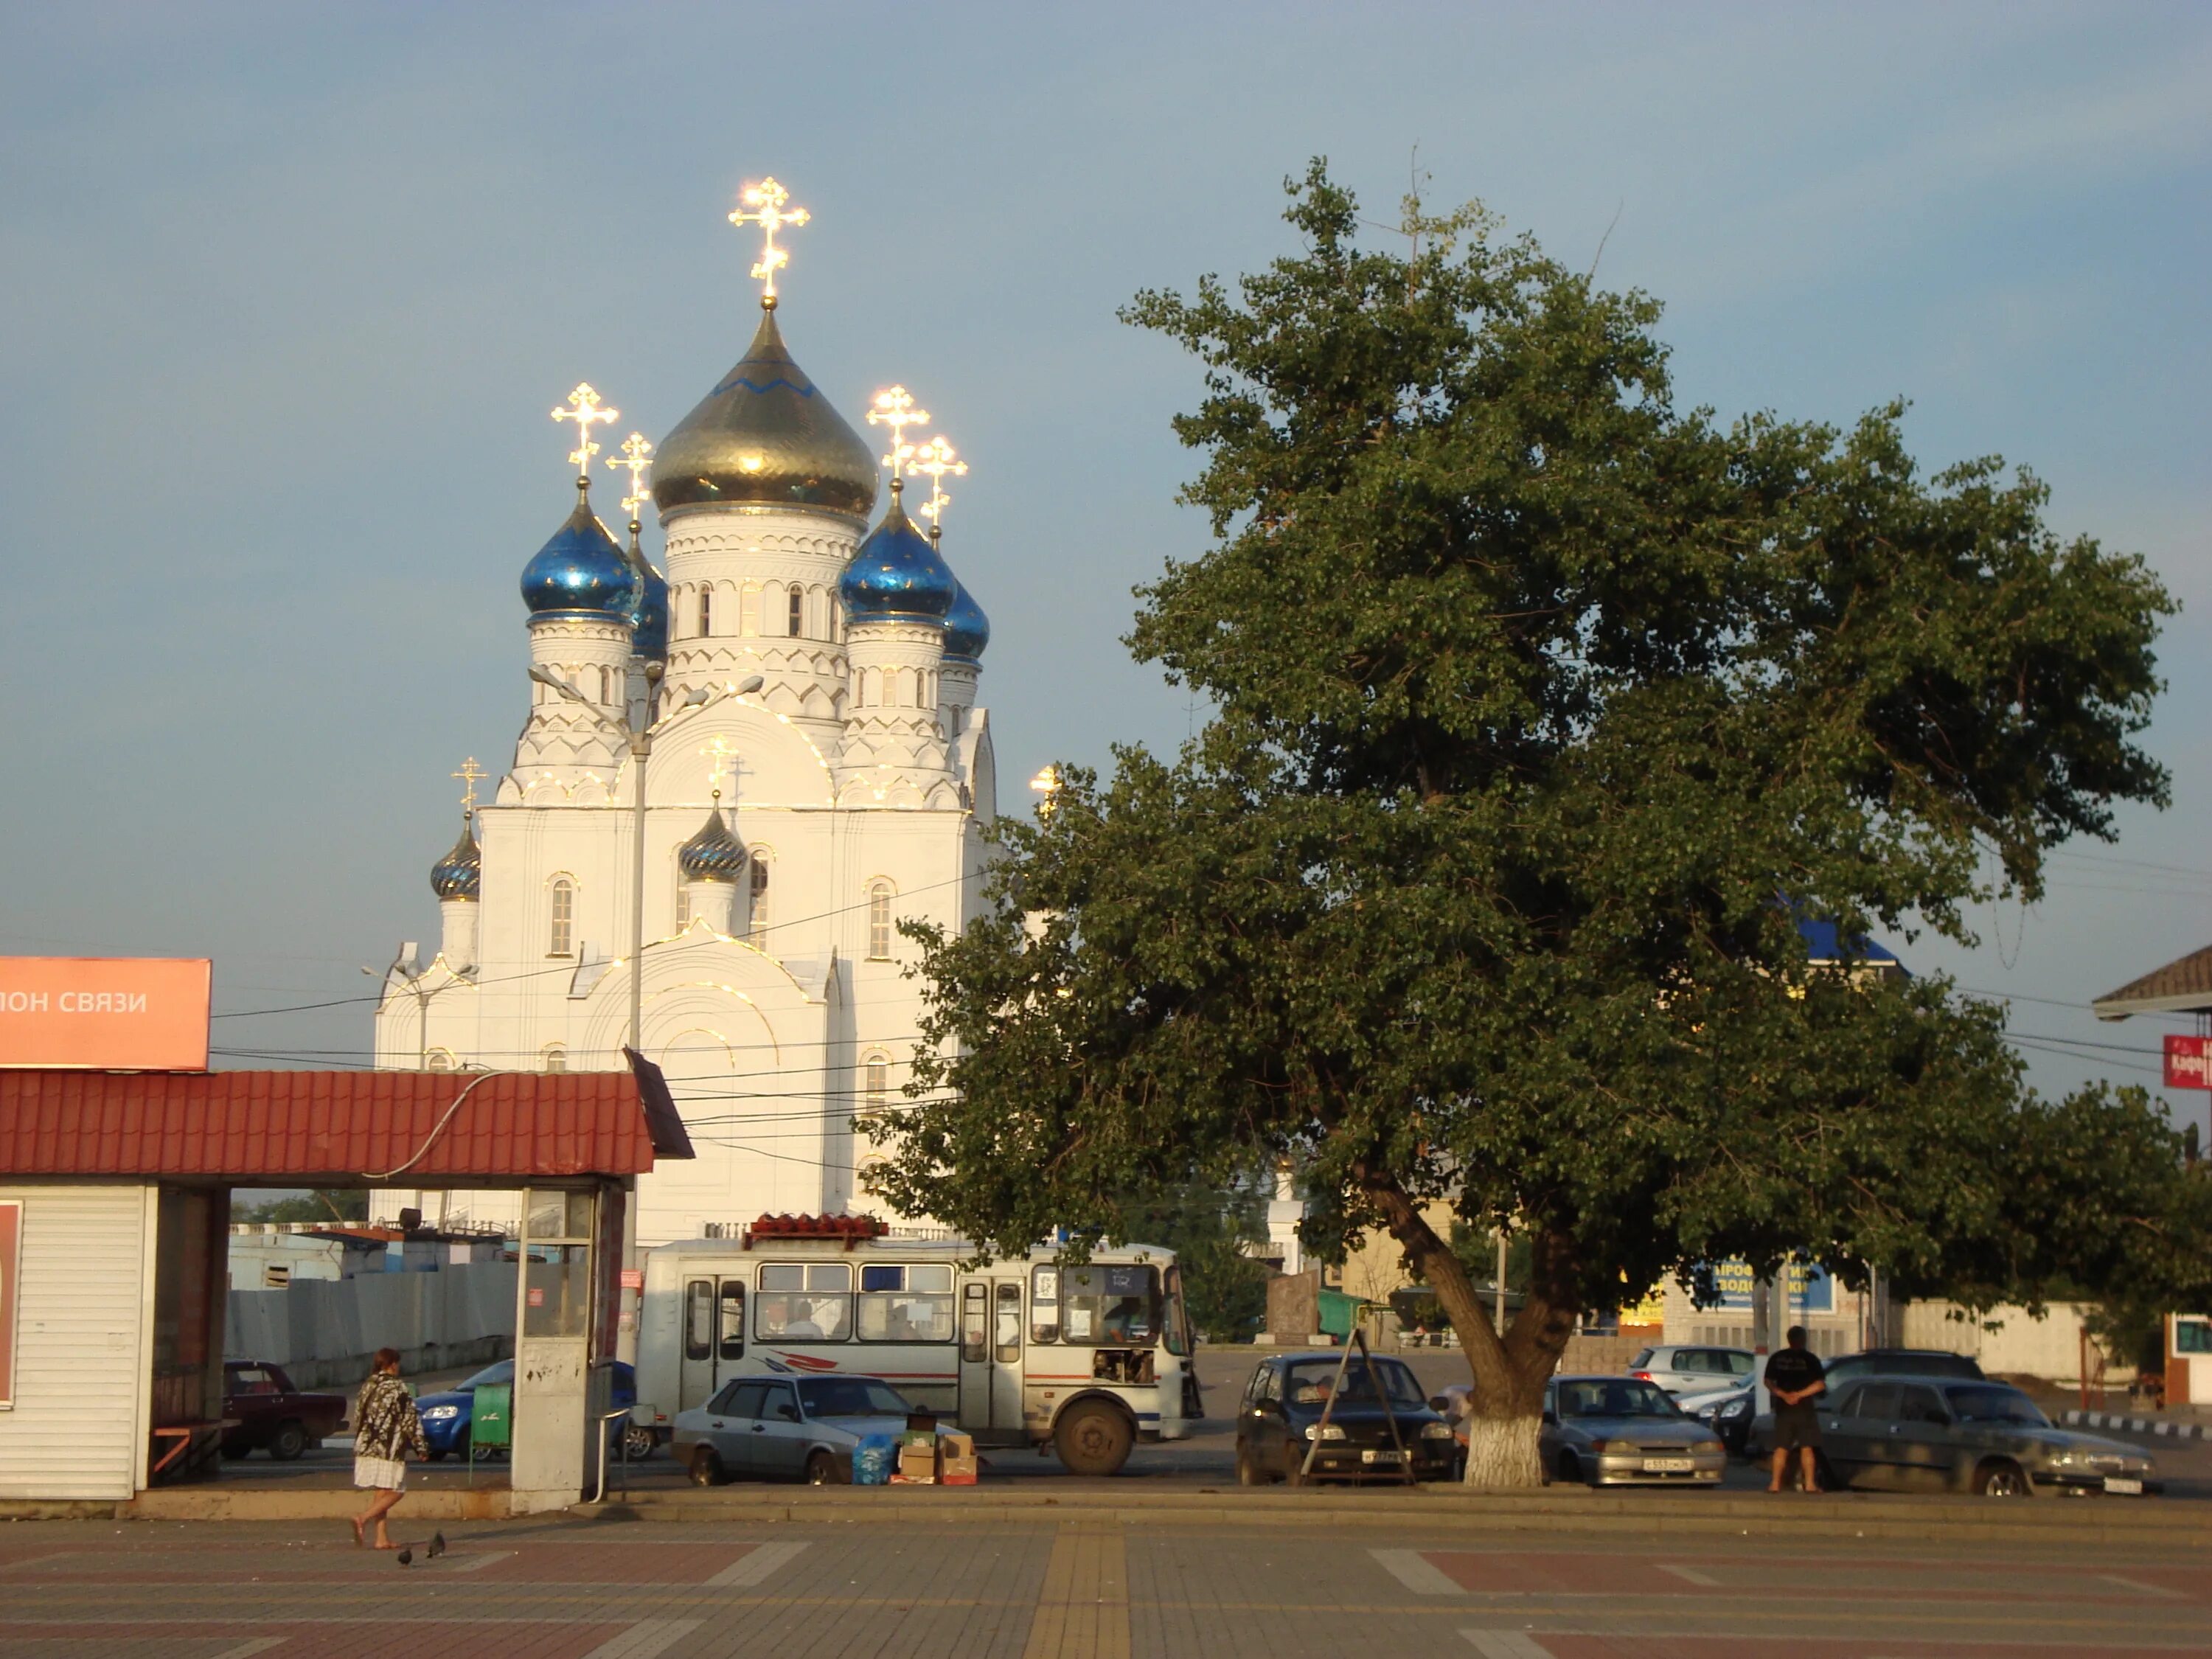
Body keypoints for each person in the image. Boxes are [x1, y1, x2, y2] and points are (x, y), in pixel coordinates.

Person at [351, 1347, 428, 1549]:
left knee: (381, 1490)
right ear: (392, 1364)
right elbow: (410, 1420)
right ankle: (363, 1517)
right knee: (397, 1490)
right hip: (389, 1448)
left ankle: (381, 1538)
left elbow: (358, 1415)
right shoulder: (398, 1388)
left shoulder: (367, 1385)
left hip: (366, 1446)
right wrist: (421, 1447)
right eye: (398, 1363)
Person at [1764, 1325, 1827, 1493]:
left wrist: (1783, 1394)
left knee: (1781, 1447)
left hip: (1784, 1410)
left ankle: (1775, 1484)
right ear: (1803, 1339)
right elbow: (1820, 1385)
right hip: (1805, 1410)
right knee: (1807, 1447)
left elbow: (1768, 1381)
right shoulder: (1810, 1359)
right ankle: (1810, 1484)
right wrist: (1799, 1395)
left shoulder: (1778, 1357)